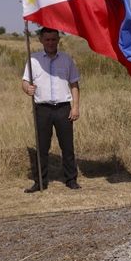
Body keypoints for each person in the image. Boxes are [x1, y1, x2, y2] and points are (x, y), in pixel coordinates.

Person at [21, 27, 81, 191]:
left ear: (58, 40)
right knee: (42, 147)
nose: (50, 43)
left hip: (63, 108)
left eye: (53, 39)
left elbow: (74, 84)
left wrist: (75, 107)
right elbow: (25, 82)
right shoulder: (33, 60)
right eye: (47, 39)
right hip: (42, 109)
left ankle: (71, 180)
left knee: (67, 147)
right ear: (41, 40)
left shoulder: (67, 60)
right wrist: (27, 89)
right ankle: (40, 181)